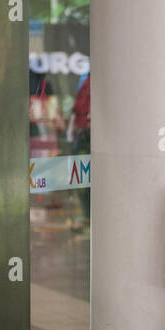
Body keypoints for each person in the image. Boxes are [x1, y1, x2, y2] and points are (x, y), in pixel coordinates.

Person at [66, 72, 91, 224]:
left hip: (89, 136)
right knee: (81, 178)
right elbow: (77, 111)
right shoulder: (87, 81)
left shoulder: (90, 81)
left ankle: (88, 216)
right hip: (85, 135)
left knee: (84, 179)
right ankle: (88, 215)